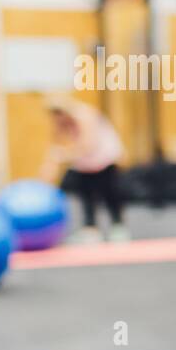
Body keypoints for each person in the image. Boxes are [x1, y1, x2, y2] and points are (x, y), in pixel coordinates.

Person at [38, 97, 128, 243]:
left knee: (109, 193)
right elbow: (56, 143)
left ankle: (118, 227)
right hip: (85, 161)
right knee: (86, 194)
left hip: (104, 156)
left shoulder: (84, 115)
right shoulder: (61, 119)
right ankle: (91, 229)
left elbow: (89, 145)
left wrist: (64, 155)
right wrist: (49, 164)